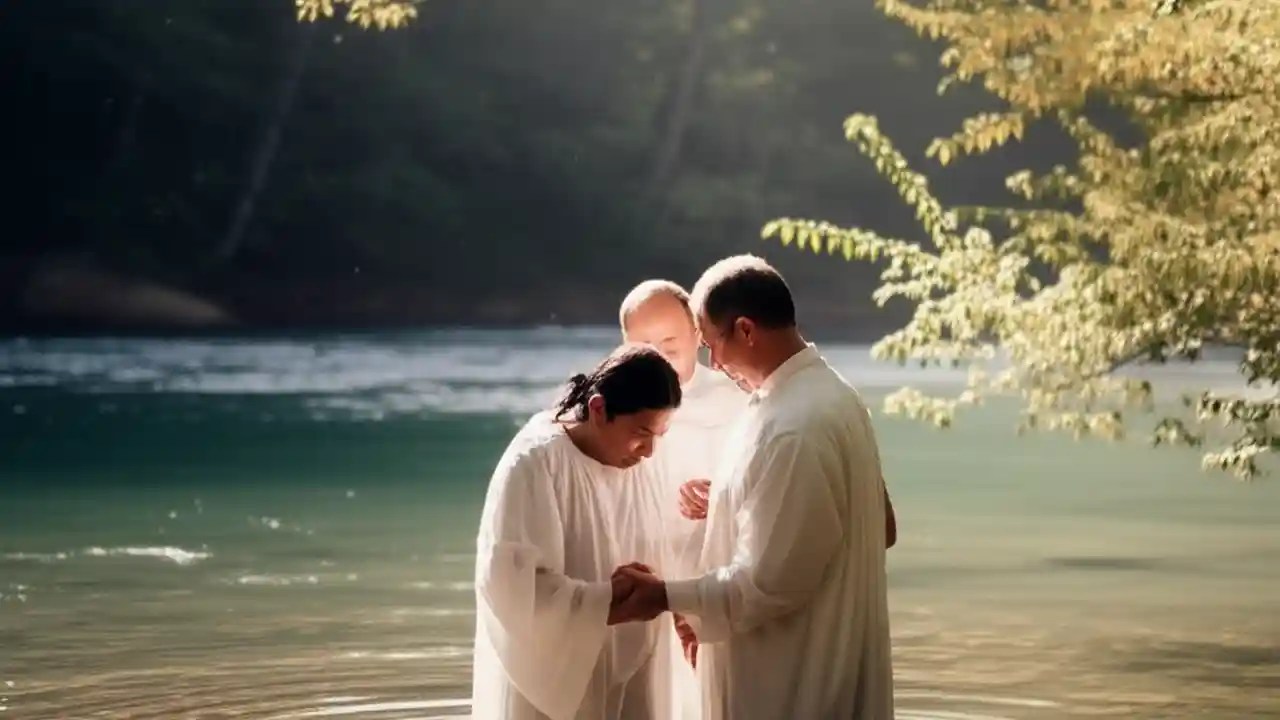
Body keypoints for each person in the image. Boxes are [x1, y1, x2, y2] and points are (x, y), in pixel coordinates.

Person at [610, 255, 896, 719]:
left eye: (712, 344)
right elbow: (879, 525)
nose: (715, 364)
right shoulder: (833, 398)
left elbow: (770, 582)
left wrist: (665, 595)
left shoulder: (794, 425)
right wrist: (728, 500)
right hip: (826, 673)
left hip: (792, 687)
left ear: (745, 330)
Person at [470, 343, 686, 720]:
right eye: (641, 433)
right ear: (599, 410)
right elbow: (509, 585)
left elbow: (671, 543)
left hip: (635, 659)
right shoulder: (535, 463)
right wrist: (606, 600)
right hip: (557, 672)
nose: (649, 451)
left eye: (659, 436)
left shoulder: (643, 462)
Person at [617, 280, 749, 718]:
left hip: (710, 568)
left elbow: (767, 491)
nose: (657, 358)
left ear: (697, 334)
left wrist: (724, 497)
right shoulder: (610, 404)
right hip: (639, 565)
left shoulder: (740, 398)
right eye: (643, 346)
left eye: (669, 345)